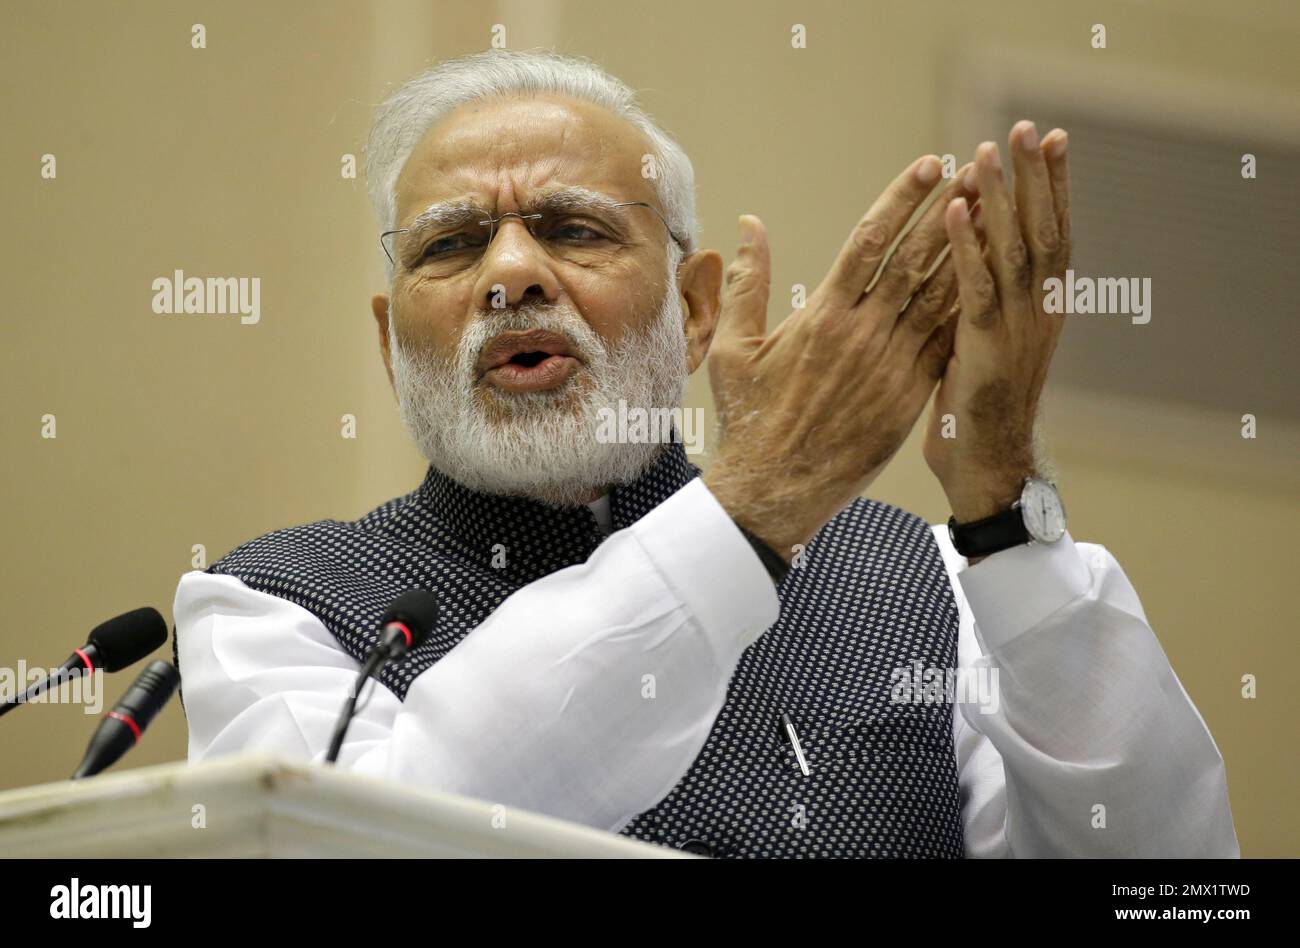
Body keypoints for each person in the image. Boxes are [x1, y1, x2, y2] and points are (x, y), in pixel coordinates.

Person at [173, 49, 1238, 858]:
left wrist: (1006, 510)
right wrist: (753, 510)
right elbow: (370, 838)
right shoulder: (271, 606)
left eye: (573, 228)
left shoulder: (926, 588)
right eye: (450, 245)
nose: (510, 274)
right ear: (390, 339)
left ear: (691, 310)